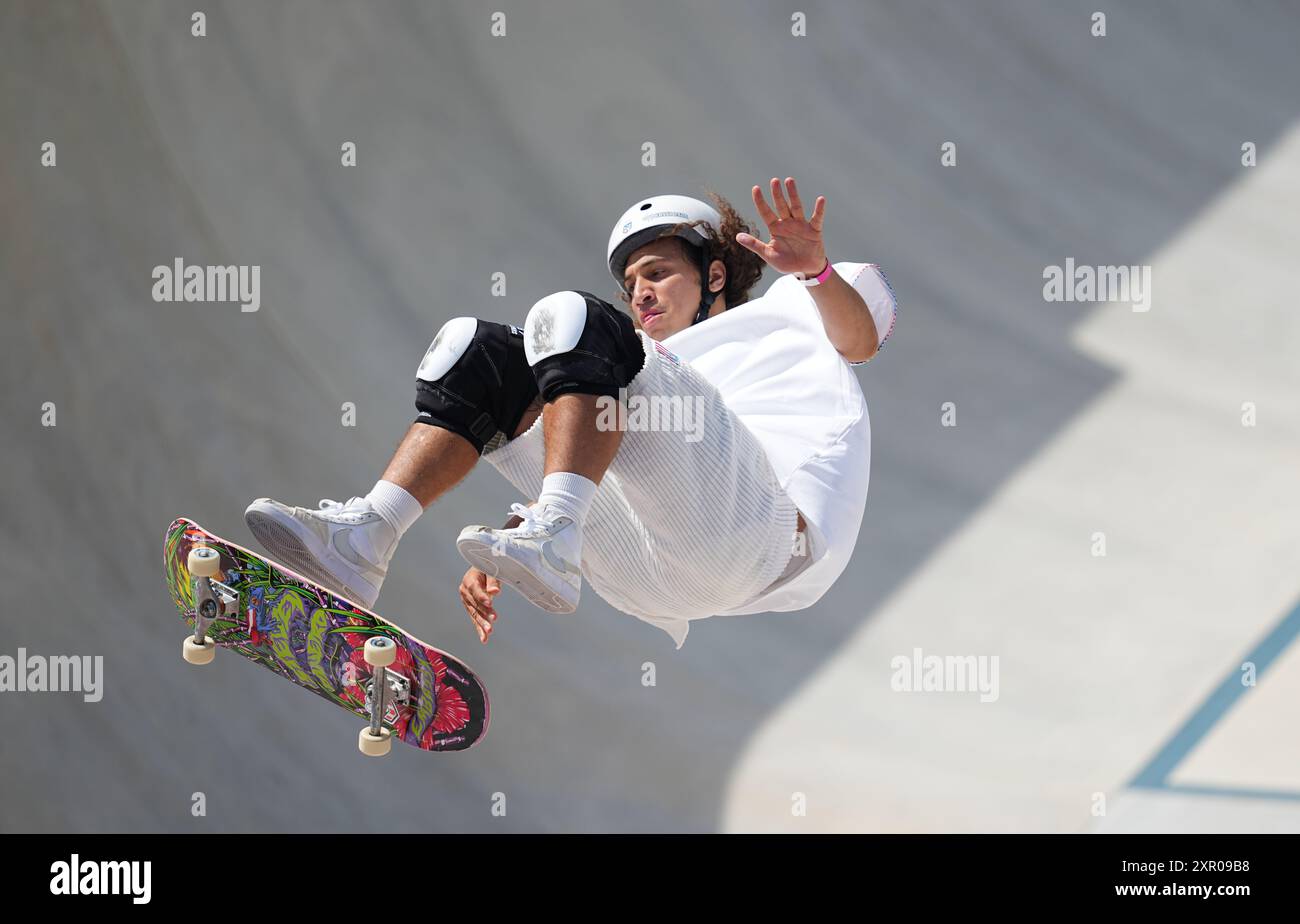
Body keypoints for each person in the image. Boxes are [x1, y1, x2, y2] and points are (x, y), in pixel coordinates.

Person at [244, 177, 896, 648]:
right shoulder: (638, 380)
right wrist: (506, 535)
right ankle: (363, 541)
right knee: (479, 351)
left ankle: (555, 534)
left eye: (659, 272)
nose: (641, 291)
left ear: (716, 275)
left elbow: (860, 340)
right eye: (632, 282)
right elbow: (595, 445)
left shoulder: (788, 310)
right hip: (645, 581)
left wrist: (815, 273)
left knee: (574, 319)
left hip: (763, 540)